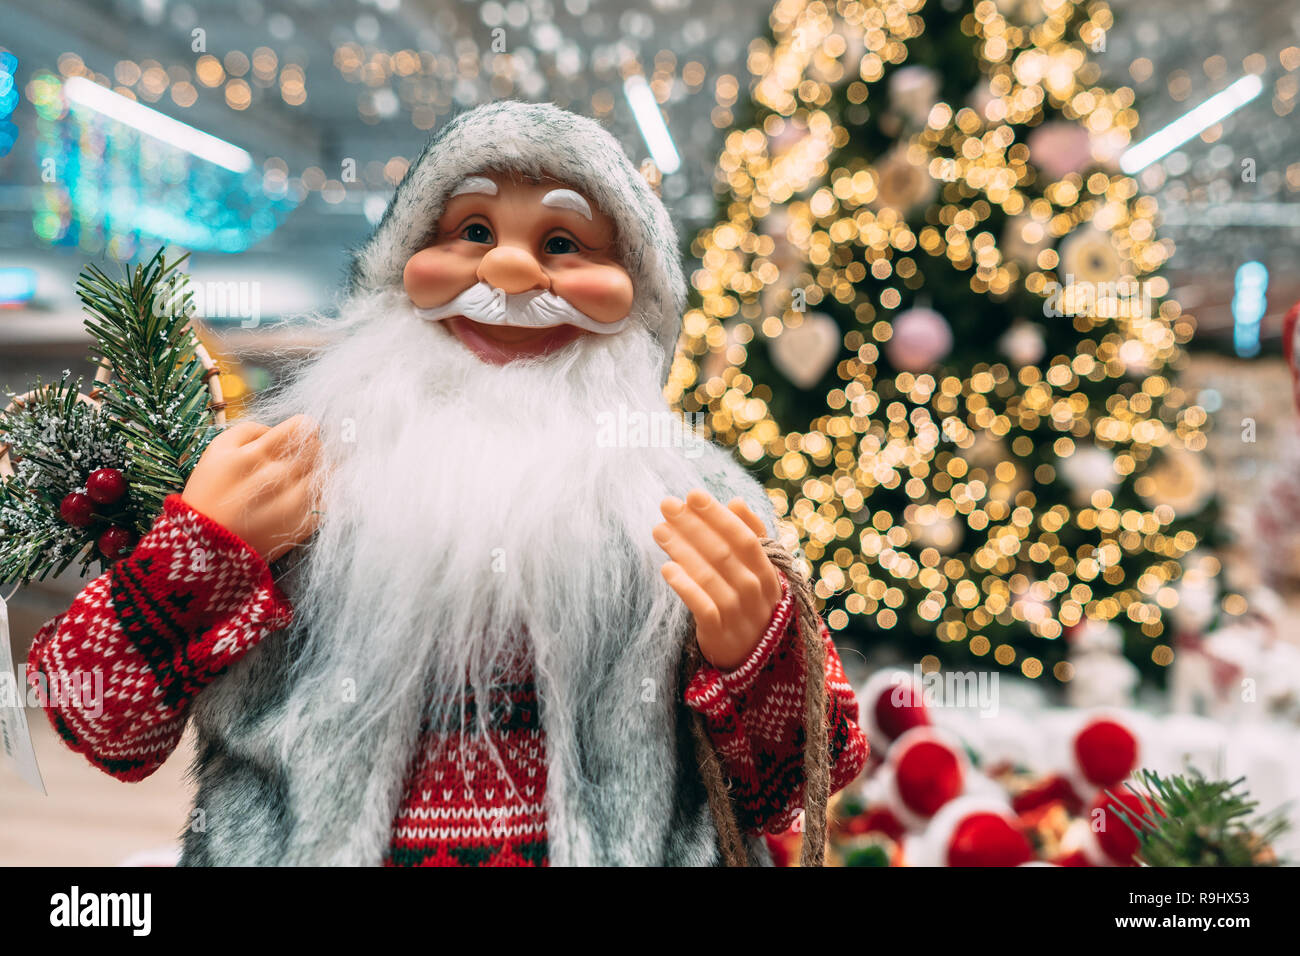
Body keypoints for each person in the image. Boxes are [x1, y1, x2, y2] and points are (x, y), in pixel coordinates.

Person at [28, 100, 866, 866]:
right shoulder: (296, 471)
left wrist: (758, 656)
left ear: (638, 293)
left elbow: (797, 788)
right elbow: (96, 715)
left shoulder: (692, 497)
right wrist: (198, 556)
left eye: (563, 244)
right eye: (470, 229)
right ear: (404, 262)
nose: (507, 273)